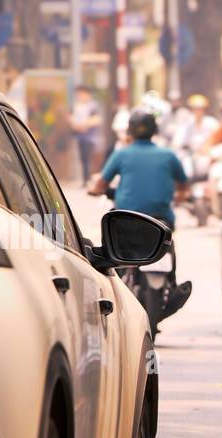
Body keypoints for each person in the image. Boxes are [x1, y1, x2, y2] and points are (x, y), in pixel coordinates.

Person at [89, 108, 193, 314]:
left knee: (112, 260)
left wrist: (94, 190)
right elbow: (183, 185)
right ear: (155, 130)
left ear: (130, 131)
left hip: (126, 221)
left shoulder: (122, 154)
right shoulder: (168, 155)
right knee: (169, 247)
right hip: (162, 220)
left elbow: (100, 185)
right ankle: (172, 283)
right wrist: (180, 197)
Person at [70, 86, 104, 184]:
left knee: (87, 158)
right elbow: (71, 117)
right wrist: (76, 125)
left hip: (90, 138)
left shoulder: (93, 106)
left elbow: (97, 119)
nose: (80, 96)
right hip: (80, 137)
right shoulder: (77, 106)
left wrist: (85, 125)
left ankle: (87, 179)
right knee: (83, 158)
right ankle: (85, 179)